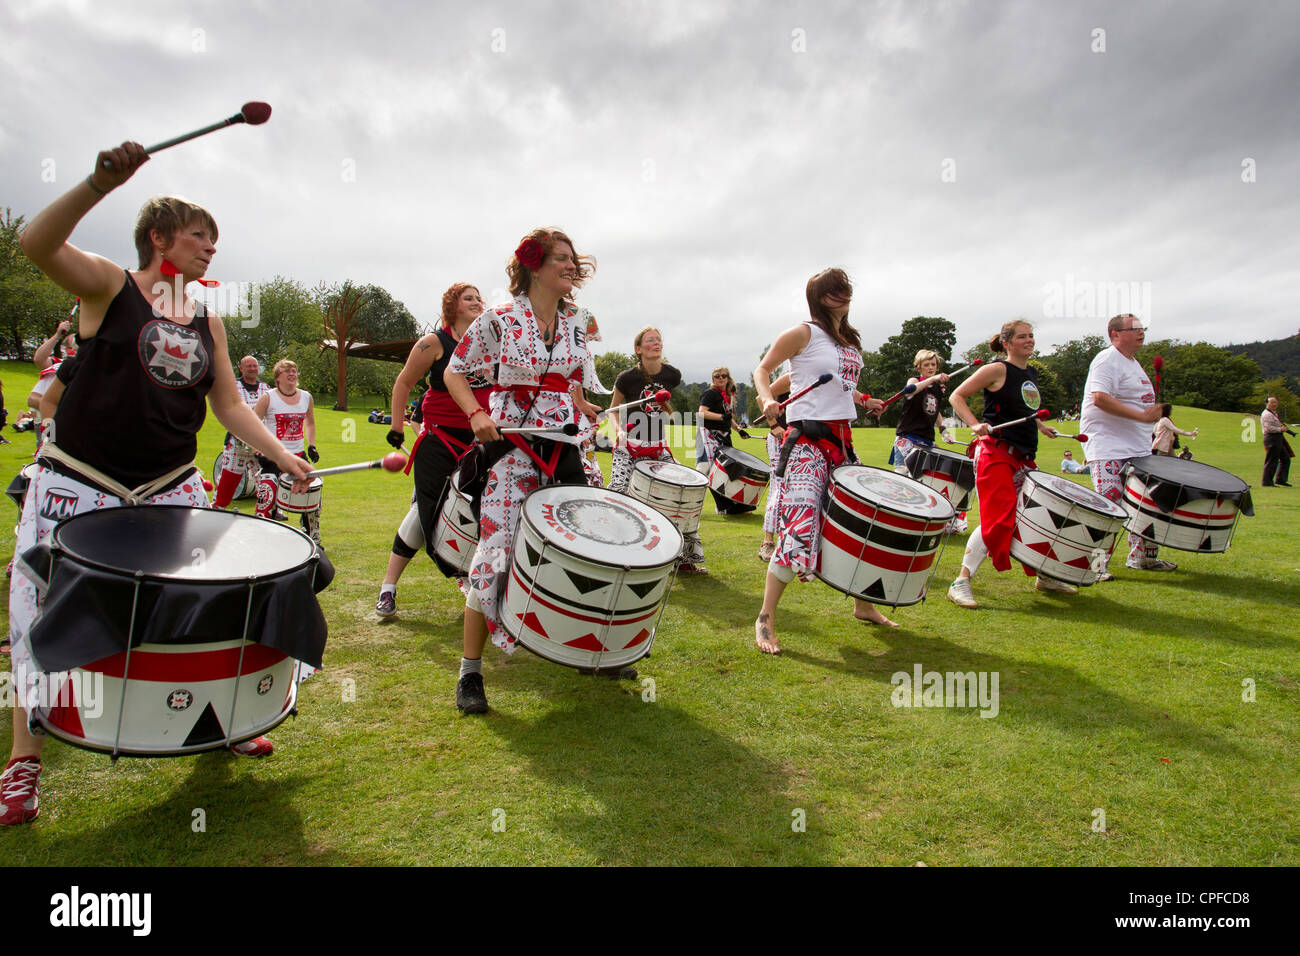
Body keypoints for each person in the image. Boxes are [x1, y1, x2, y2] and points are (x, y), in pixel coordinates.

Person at [2, 140, 314, 826]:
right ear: (159, 238)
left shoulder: (208, 317)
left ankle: (221, 722)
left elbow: (228, 404)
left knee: (207, 606)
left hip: (171, 486)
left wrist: (278, 456)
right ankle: (24, 761)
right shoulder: (109, 285)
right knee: (34, 608)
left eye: (215, 239)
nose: (210, 248)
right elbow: (35, 242)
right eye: (199, 235)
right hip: (78, 479)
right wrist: (96, 182)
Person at [443, 228, 608, 714]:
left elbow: (570, 378)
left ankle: (593, 649)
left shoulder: (578, 320)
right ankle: (470, 674)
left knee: (586, 547)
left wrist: (584, 404)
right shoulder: (499, 318)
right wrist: (476, 414)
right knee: (493, 557)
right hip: (512, 452)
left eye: (573, 259)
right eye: (560, 258)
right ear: (534, 265)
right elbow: (455, 371)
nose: (570, 266)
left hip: (565, 449)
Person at [752, 267, 891, 654]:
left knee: (860, 522)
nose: (844, 296)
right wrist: (766, 399)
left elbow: (838, 384)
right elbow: (763, 371)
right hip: (806, 445)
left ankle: (863, 605)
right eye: (835, 291)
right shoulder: (803, 333)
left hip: (843, 442)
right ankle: (765, 618)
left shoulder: (847, 340)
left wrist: (863, 400)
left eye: (846, 290)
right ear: (819, 297)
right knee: (798, 530)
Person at [374, 283, 490, 616]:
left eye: (479, 298)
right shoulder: (433, 343)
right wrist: (397, 427)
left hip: (477, 445)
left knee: (480, 513)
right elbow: (403, 382)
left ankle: (469, 579)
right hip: (438, 441)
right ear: (452, 304)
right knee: (424, 514)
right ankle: (388, 588)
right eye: (468, 298)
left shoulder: (490, 344)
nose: (476, 302)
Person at [946, 320, 1071, 609]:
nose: (1029, 340)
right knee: (999, 517)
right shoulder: (996, 369)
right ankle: (960, 582)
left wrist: (1040, 425)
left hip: (1023, 455)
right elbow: (957, 396)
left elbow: (1024, 410)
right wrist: (976, 424)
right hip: (995, 452)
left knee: (1035, 514)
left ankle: (1044, 574)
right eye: (1022, 336)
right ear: (1007, 342)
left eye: (1031, 336)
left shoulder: (1031, 373)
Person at [607, 327, 706, 572]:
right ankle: (611, 550)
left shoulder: (672, 375)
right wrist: (618, 430)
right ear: (638, 349)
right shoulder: (626, 378)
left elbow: (662, 403)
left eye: (659, 339)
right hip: (628, 446)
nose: (656, 342)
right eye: (650, 340)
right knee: (618, 492)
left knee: (681, 495)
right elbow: (612, 411)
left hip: (657, 446)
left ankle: (684, 560)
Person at [1079, 314, 1170, 575]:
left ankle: (1143, 557)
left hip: (1138, 448)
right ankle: (1095, 566)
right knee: (1109, 505)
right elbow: (1099, 398)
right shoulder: (1107, 359)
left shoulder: (1134, 364)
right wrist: (1142, 416)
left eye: (1143, 328)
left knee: (1147, 504)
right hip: (1107, 446)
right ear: (1115, 334)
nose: (1142, 332)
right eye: (1135, 328)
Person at [888, 349, 966, 533]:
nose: (930, 368)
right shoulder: (914, 381)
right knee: (902, 478)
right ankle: (895, 519)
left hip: (926, 440)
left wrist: (943, 429)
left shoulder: (938, 388)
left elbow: (934, 408)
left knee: (924, 482)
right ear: (919, 367)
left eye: (933, 365)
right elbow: (910, 392)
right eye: (926, 365)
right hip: (907, 438)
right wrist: (932, 380)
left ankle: (926, 520)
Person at [252, 359, 319, 538]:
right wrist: (257, 447)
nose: (292, 374)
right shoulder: (268, 397)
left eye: (294, 370)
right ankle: (260, 534)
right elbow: (252, 422)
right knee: (267, 494)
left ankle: (312, 536)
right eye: (287, 371)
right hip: (273, 456)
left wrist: (311, 445)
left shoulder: (306, 397)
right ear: (277, 377)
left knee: (312, 494)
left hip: (298, 455)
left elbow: (310, 423)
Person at [211, 354, 270, 508]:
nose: (252, 369)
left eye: (254, 366)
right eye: (248, 366)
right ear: (241, 368)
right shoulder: (233, 387)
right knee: (228, 478)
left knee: (267, 478)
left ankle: (269, 510)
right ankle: (217, 508)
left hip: (261, 443)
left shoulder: (265, 389)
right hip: (237, 442)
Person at [758, 374, 790, 562]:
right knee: (779, 488)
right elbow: (761, 397)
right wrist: (774, 426)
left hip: (804, 437)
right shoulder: (792, 376)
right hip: (781, 437)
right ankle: (768, 541)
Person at [1261, 396, 1296, 486]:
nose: (1274, 404)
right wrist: (1280, 429)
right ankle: (1267, 482)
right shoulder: (1266, 414)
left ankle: (1280, 479)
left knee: (1286, 458)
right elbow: (1268, 428)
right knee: (1272, 460)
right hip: (1272, 438)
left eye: (1275, 402)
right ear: (1266, 403)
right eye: (1272, 402)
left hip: (1278, 438)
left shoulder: (1273, 413)